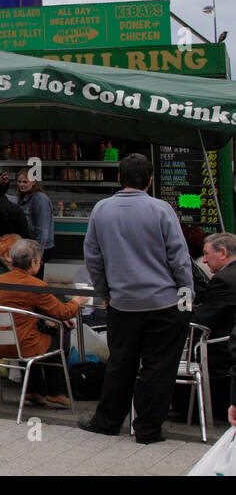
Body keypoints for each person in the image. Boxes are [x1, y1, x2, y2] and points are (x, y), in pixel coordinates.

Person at [80, 153, 192, 445]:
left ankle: (107, 422)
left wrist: (104, 293)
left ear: (119, 177)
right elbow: (179, 258)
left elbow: (93, 258)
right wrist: (186, 291)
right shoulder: (161, 209)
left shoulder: (101, 210)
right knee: (159, 367)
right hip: (164, 302)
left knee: (120, 363)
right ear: (150, 181)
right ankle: (147, 430)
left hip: (123, 303)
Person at [0, 238, 89, 408]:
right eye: (40, 261)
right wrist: (76, 301)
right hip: (20, 345)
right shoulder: (35, 285)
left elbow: (19, 308)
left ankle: (34, 389)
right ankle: (55, 391)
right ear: (33, 262)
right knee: (59, 332)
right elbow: (63, 312)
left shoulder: (0, 279)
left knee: (29, 331)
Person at [192, 232, 236, 419]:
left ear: (223, 252)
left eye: (207, 254)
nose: (205, 261)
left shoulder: (224, 280)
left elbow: (203, 319)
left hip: (221, 347)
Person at [17, 168, 54, 257]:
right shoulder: (25, 197)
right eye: (19, 181)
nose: (21, 184)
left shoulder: (39, 199)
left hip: (38, 248)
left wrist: (37, 254)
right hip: (28, 245)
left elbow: (42, 229)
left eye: (25, 182)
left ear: (33, 182)